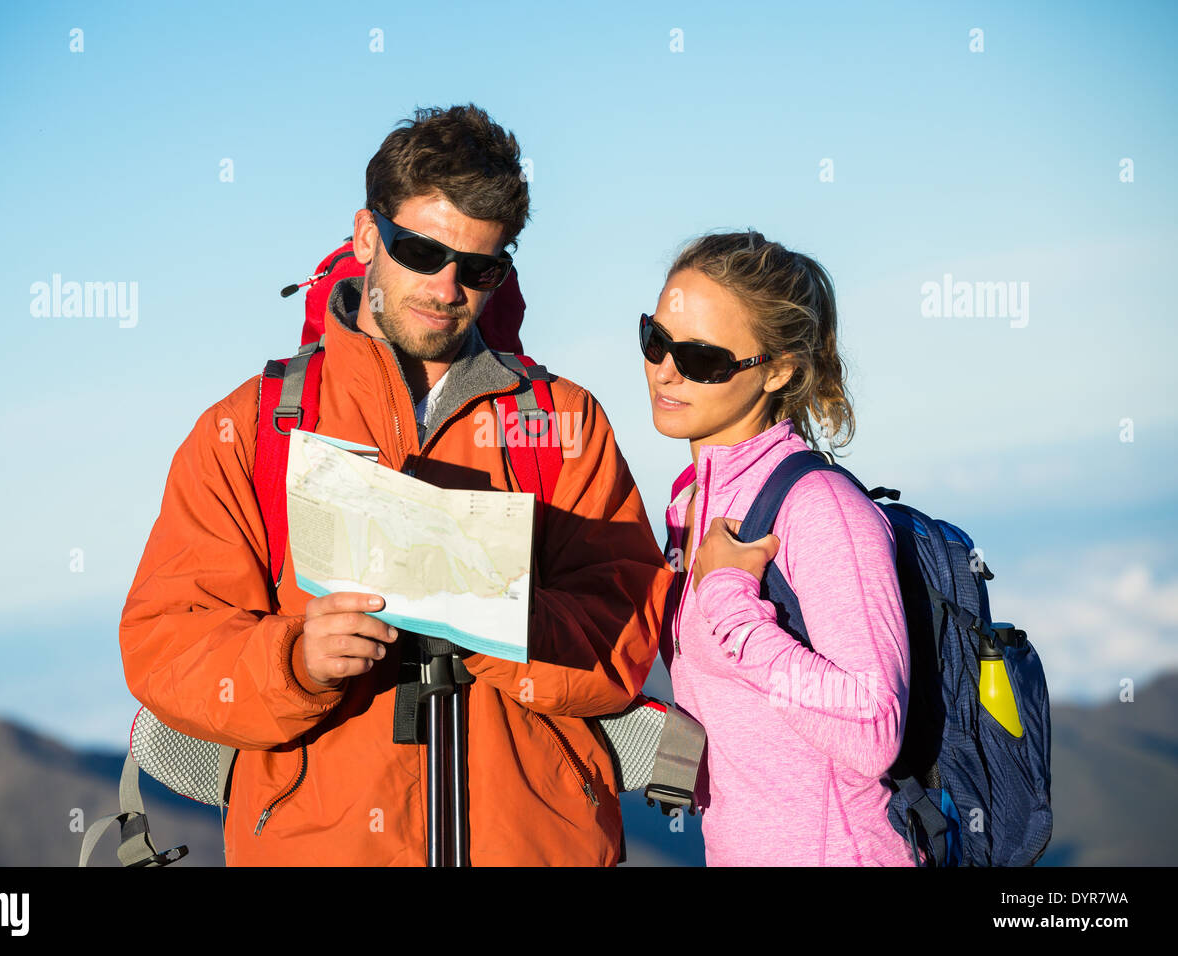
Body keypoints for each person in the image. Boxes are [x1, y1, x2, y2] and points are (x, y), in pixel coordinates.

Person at [119, 104, 671, 866]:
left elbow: (626, 634)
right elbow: (167, 645)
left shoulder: (562, 421)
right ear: (367, 235)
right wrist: (295, 661)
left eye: (480, 268)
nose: (448, 288)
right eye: (420, 250)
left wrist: (497, 624)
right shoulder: (250, 429)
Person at [643, 230, 916, 866]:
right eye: (655, 341)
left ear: (780, 368)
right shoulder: (690, 505)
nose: (666, 370)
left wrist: (729, 603)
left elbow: (874, 729)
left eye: (702, 358)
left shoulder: (820, 508)